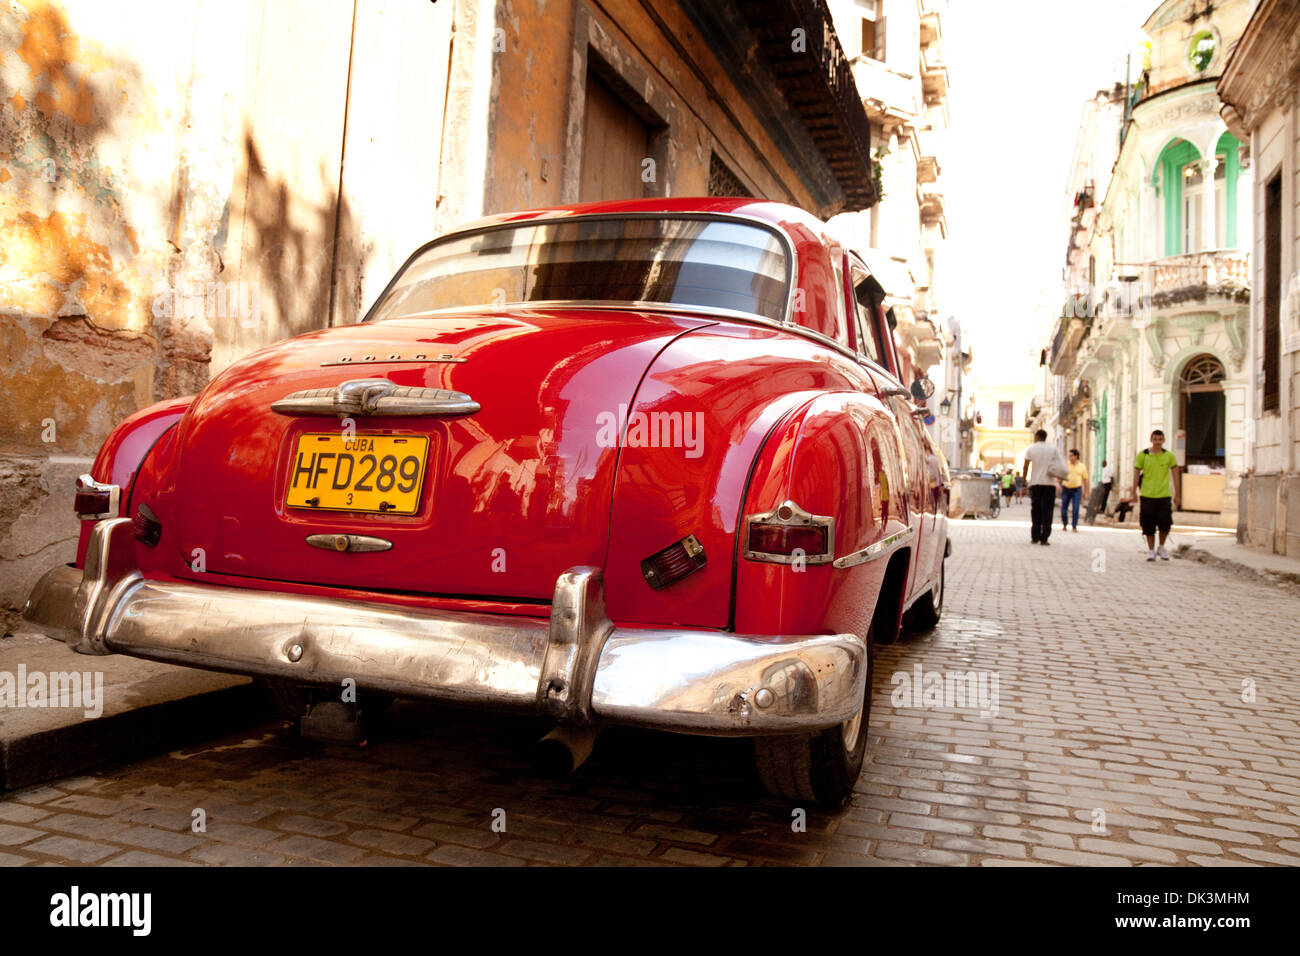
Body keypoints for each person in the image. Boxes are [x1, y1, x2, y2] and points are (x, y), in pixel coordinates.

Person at [1134, 429, 1181, 561]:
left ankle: (1161, 546)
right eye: (1155, 439)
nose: (1157, 442)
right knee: (1148, 524)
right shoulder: (1143, 455)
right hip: (1147, 494)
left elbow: (1175, 474)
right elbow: (1136, 473)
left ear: (1163, 440)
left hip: (1164, 495)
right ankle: (1150, 550)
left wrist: (1178, 494)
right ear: (1151, 439)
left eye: (1160, 440)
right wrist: (1133, 492)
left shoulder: (1169, 456)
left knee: (1165, 524)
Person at [1023, 429, 1067, 545]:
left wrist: (1023, 481)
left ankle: (1035, 536)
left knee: (1036, 509)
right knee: (1048, 510)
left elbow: (1026, 465)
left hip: (1036, 483)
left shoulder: (1031, 448)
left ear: (1037, 436)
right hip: (1049, 483)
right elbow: (1059, 463)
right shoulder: (1053, 449)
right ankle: (1045, 537)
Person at [1060, 449, 1089, 532]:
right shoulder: (1066, 465)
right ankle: (1065, 524)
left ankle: (1074, 526)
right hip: (1066, 488)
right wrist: (1058, 484)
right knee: (1064, 508)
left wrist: (1086, 492)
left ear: (1076, 456)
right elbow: (1060, 475)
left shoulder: (1082, 466)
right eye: (1069, 456)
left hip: (1077, 489)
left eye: (1071, 455)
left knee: (1076, 508)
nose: (1069, 457)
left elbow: (1085, 480)